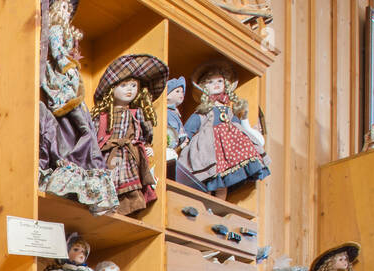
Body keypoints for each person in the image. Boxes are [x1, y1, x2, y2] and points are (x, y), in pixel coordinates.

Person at [39, 0, 117, 214]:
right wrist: (69, 67)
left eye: (69, 8)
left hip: (69, 85)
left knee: (83, 130)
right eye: (62, 7)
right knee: (74, 130)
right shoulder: (55, 31)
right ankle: (76, 178)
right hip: (62, 83)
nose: (66, 12)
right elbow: (57, 54)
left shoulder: (64, 34)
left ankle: (89, 185)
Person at [180, 61, 270, 199]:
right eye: (210, 82)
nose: (215, 84)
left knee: (223, 183)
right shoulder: (204, 111)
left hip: (228, 150)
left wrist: (250, 132)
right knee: (208, 177)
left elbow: (238, 125)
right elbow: (190, 127)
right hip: (209, 147)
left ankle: (220, 204)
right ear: (204, 87)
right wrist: (184, 137)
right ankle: (207, 201)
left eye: (219, 81)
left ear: (225, 84)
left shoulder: (229, 110)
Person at [91, 54, 168, 215]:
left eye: (133, 86)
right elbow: (93, 136)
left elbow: (145, 134)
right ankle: (106, 203)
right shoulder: (103, 116)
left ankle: (126, 207)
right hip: (108, 154)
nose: (129, 90)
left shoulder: (136, 113)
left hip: (129, 155)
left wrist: (146, 147)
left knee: (128, 182)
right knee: (108, 180)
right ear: (112, 89)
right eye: (124, 85)